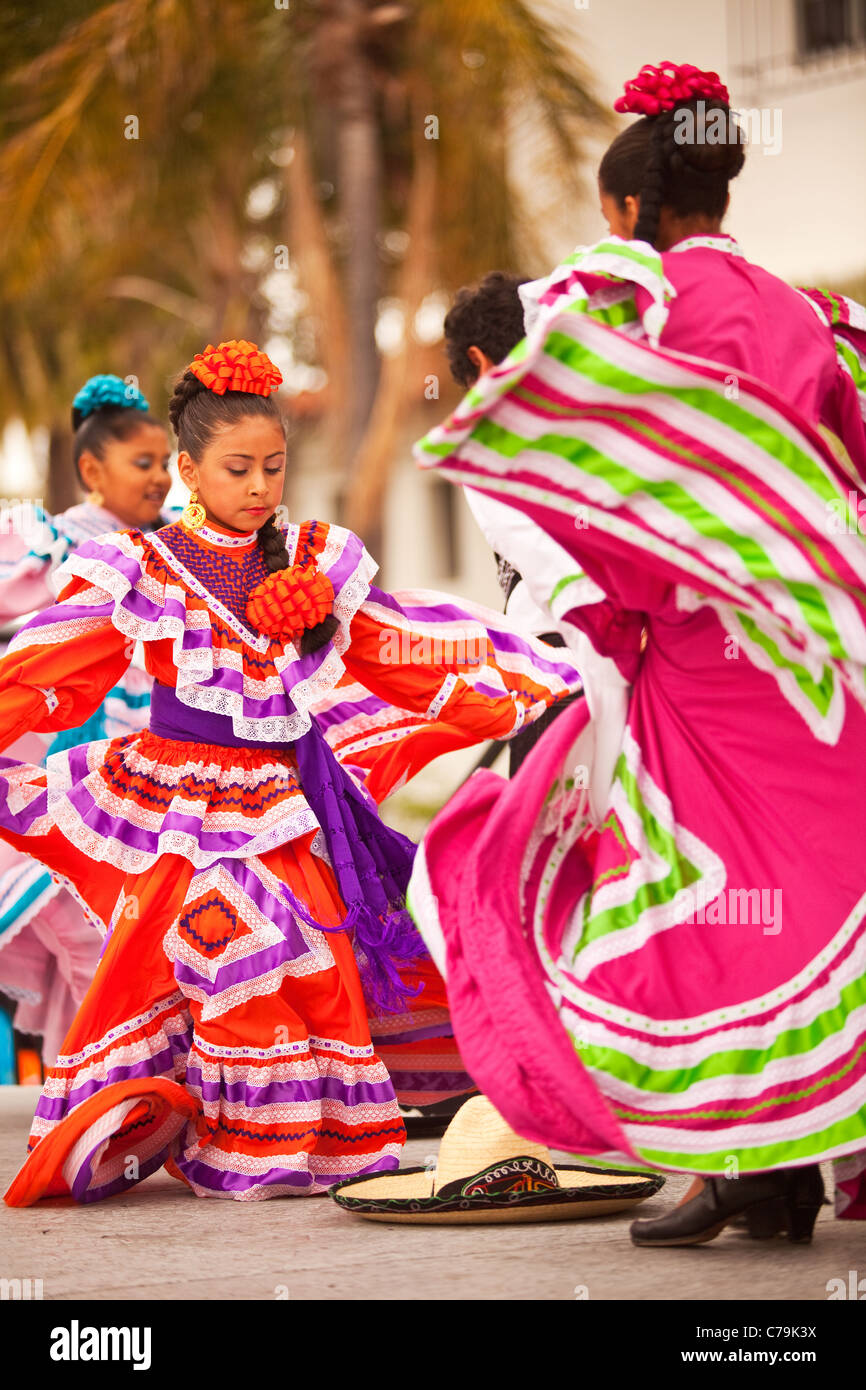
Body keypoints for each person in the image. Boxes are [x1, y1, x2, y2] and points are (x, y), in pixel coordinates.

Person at [409, 61, 866, 1246]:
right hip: (815, 654)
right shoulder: (809, 313)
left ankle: (748, 1170)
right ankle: (798, 1161)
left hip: (697, 664)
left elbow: (586, 497)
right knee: (826, 890)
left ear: (625, 211)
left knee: (700, 915)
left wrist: (615, 619)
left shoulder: (622, 310)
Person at [0, 339, 581, 1204]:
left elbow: (398, 644)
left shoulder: (309, 556)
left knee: (311, 962)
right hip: (182, 806)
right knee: (236, 948)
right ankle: (238, 1140)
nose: (262, 486)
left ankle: (284, 1140)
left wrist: (544, 678)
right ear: (189, 471)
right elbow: (48, 664)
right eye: (239, 469)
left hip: (284, 802)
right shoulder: (142, 568)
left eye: (274, 467)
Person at [0, 375, 173, 1069]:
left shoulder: (166, 553)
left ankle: (103, 1087)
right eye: (143, 464)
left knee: (126, 936)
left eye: (165, 463)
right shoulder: (53, 544)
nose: (160, 477)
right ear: (91, 471)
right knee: (91, 935)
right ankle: (100, 1086)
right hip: (55, 779)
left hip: (137, 781)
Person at [443, 273, 584, 775]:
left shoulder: (486, 437)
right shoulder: (595, 414)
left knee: (549, 844)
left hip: (555, 666)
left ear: (478, 360)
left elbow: (550, 568)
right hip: (637, 658)